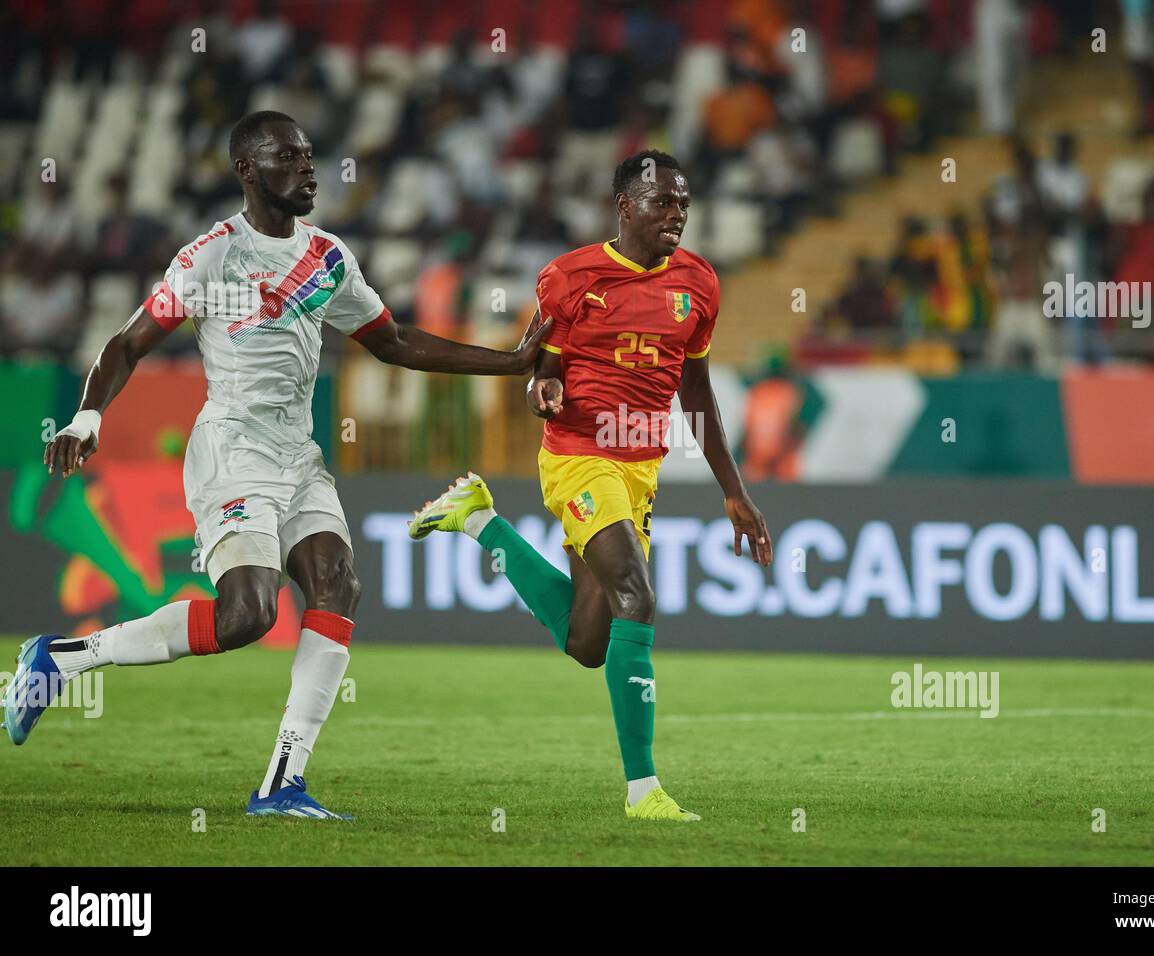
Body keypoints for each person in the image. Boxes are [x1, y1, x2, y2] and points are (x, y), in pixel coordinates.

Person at [5, 111, 550, 820]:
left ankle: (282, 784)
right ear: (248, 171)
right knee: (249, 614)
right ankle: (63, 658)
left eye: (310, 156)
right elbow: (127, 343)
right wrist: (87, 415)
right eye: (288, 157)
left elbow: (394, 342)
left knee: (337, 586)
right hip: (232, 452)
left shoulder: (328, 257)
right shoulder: (211, 256)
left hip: (299, 454)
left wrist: (509, 363)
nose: (309, 169)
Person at [409, 150, 772, 822]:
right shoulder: (569, 277)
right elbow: (536, 372)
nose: (676, 213)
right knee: (637, 594)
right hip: (580, 458)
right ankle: (644, 791)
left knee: (588, 644)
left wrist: (733, 490)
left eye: (684, 202)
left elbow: (696, 390)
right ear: (625, 205)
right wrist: (542, 389)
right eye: (663, 201)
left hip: (641, 469)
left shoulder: (699, 282)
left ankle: (478, 520)